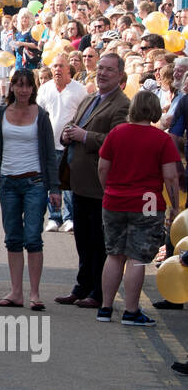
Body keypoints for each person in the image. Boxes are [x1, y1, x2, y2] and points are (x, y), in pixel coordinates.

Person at [96, 90, 180, 325]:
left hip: (115, 197)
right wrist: (174, 206)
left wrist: (109, 189)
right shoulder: (161, 139)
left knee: (114, 254)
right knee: (138, 256)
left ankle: (105, 307)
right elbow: (171, 177)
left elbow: (103, 167)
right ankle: (131, 311)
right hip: (148, 199)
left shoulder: (116, 133)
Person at [55, 52, 130, 310]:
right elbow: (75, 127)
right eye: (100, 68)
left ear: (120, 75)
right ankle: (82, 285)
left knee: (99, 241)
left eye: (109, 70)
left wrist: (85, 136)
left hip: (100, 184)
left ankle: (98, 292)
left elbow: (118, 141)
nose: (102, 73)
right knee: (83, 240)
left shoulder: (122, 104)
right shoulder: (89, 98)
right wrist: (68, 135)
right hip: (79, 181)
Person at [0, 69, 61, 309]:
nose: (23, 90)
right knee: (13, 238)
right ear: (12, 87)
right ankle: (16, 292)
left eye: (28, 85)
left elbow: (49, 155)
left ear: (33, 88)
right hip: (8, 183)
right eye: (19, 85)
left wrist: (55, 188)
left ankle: (35, 294)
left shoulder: (41, 115)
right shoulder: (1, 113)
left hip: (34, 183)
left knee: (33, 238)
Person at [36, 55, 88, 233]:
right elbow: (39, 114)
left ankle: (69, 217)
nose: (57, 70)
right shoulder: (45, 89)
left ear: (68, 69)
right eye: (55, 66)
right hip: (49, 145)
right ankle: (54, 217)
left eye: (61, 66)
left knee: (68, 183)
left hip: (70, 144)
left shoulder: (79, 90)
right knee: (52, 182)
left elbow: (86, 115)